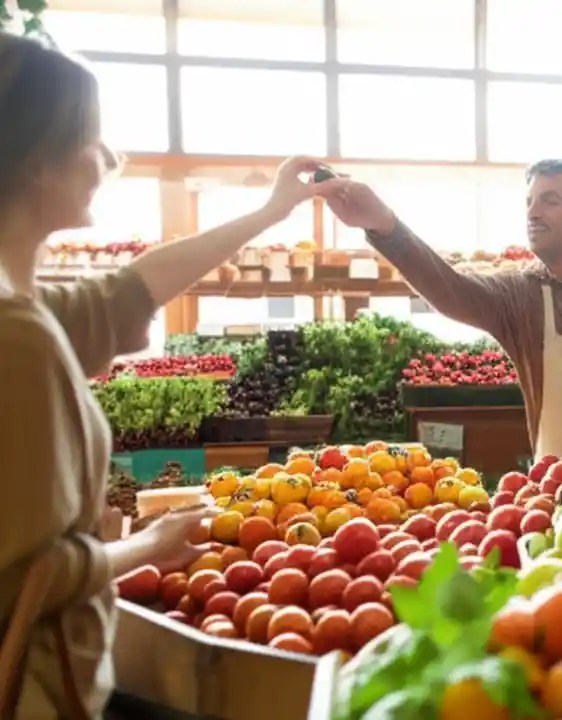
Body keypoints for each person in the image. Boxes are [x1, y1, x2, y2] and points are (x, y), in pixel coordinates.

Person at [0, 35, 324, 718]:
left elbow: (128, 292)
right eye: (92, 140)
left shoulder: (27, 311)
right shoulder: (18, 337)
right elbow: (23, 575)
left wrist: (271, 213)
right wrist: (150, 544)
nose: (111, 160)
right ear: (34, 161)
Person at [318, 158, 562, 462]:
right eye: (529, 202)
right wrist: (383, 224)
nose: (533, 212)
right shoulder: (519, 297)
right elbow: (449, 289)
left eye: (550, 200)